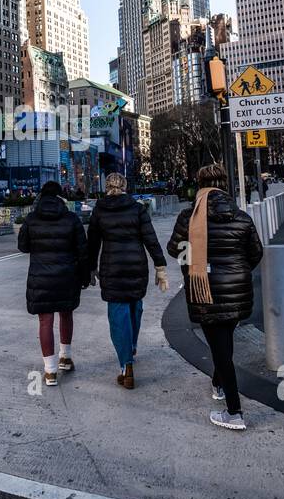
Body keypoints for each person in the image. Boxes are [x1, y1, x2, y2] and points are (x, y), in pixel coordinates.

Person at [167, 163, 263, 430]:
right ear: (225, 183)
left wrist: (195, 262)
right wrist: (236, 271)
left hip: (203, 290)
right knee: (224, 342)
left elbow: (175, 250)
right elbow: (255, 254)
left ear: (200, 185)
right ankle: (218, 382)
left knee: (221, 351)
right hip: (236, 290)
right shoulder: (241, 216)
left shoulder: (189, 217)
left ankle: (234, 412)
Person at [86, 172, 167, 389]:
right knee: (135, 307)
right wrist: (160, 266)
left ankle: (126, 365)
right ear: (124, 186)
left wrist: (91, 267)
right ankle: (131, 345)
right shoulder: (137, 208)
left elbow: (92, 242)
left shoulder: (100, 210)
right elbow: (151, 239)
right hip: (136, 267)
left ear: (107, 187)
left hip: (112, 268)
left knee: (117, 314)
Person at [18, 180, 89, 387]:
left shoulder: (31, 219)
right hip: (67, 276)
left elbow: (23, 246)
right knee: (66, 314)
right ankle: (65, 358)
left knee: (45, 321)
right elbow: (82, 251)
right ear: (60, 197)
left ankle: (49, 372)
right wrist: (85, 277)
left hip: (40, 278)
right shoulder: (71, 218)